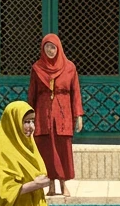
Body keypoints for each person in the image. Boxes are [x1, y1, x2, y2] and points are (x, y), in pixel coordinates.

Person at [27, 34, 83, 197]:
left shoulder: (69, 67)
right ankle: (50, 185)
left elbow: (76, 92)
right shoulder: (37, 68)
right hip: (43, 113)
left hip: (63, 113)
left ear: (58, 48)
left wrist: (78, 114)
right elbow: (32, 94)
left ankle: (64, 185)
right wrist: (29, 117)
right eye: (47, 47)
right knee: (46, 149)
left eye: (53, 47)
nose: (50, 51)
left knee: (62, 148)